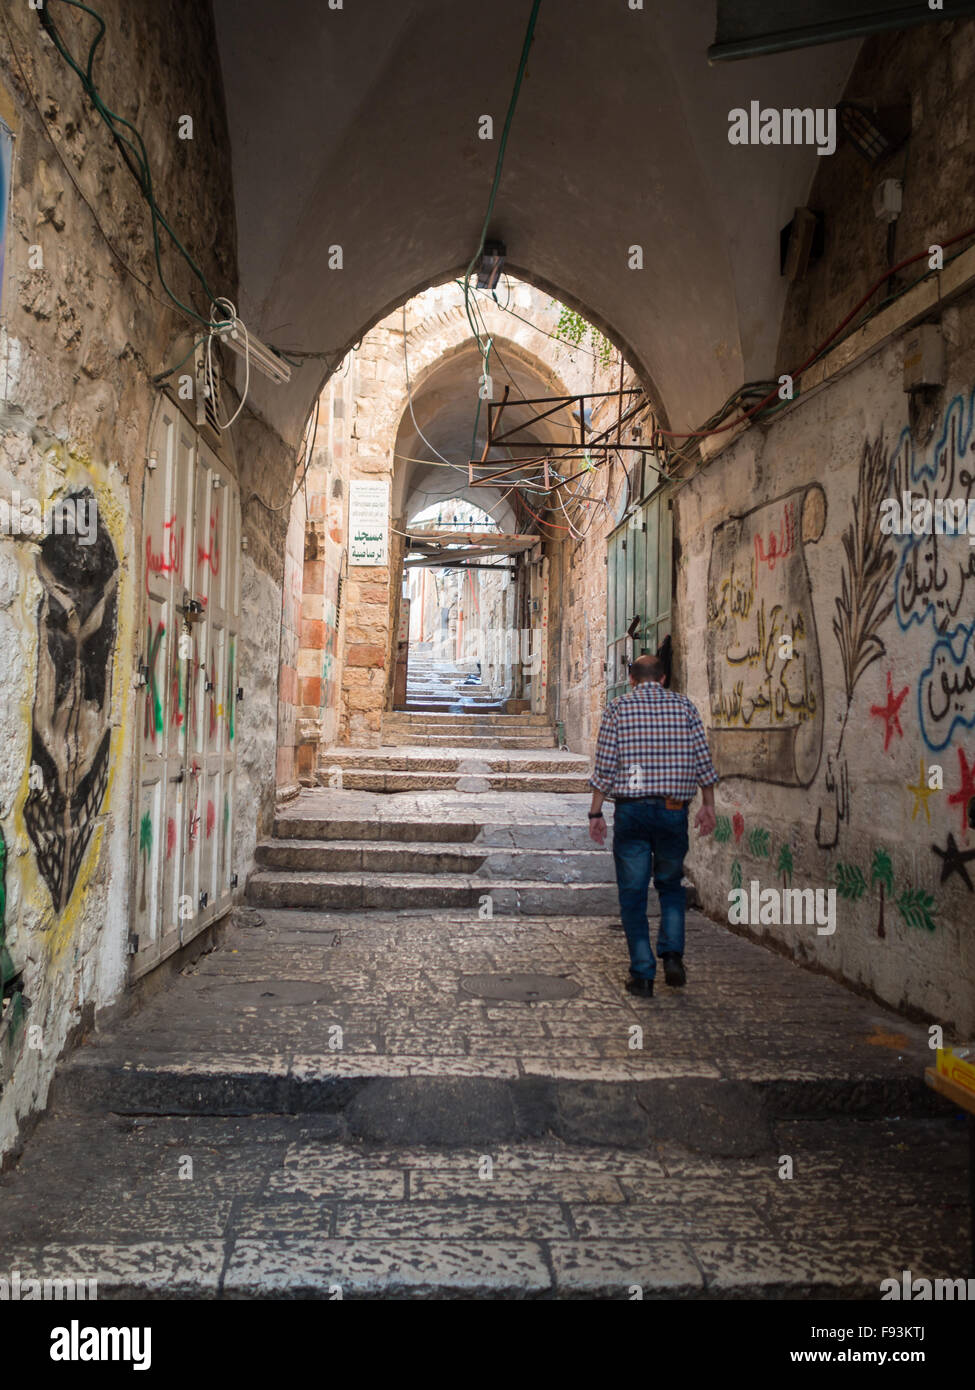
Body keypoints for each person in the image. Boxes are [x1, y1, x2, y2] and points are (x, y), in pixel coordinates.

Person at [588, 653, 718, 997]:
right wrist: (708, 805)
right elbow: (702, 759)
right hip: (673, 811)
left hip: (632, 812)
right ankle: (672, 955)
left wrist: (595, 813)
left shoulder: (618, 709)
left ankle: (643, 973)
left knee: (632, 895)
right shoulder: (686, 708)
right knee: (671, 886)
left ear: (631, 680)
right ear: (662, 679)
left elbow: (605, 766)